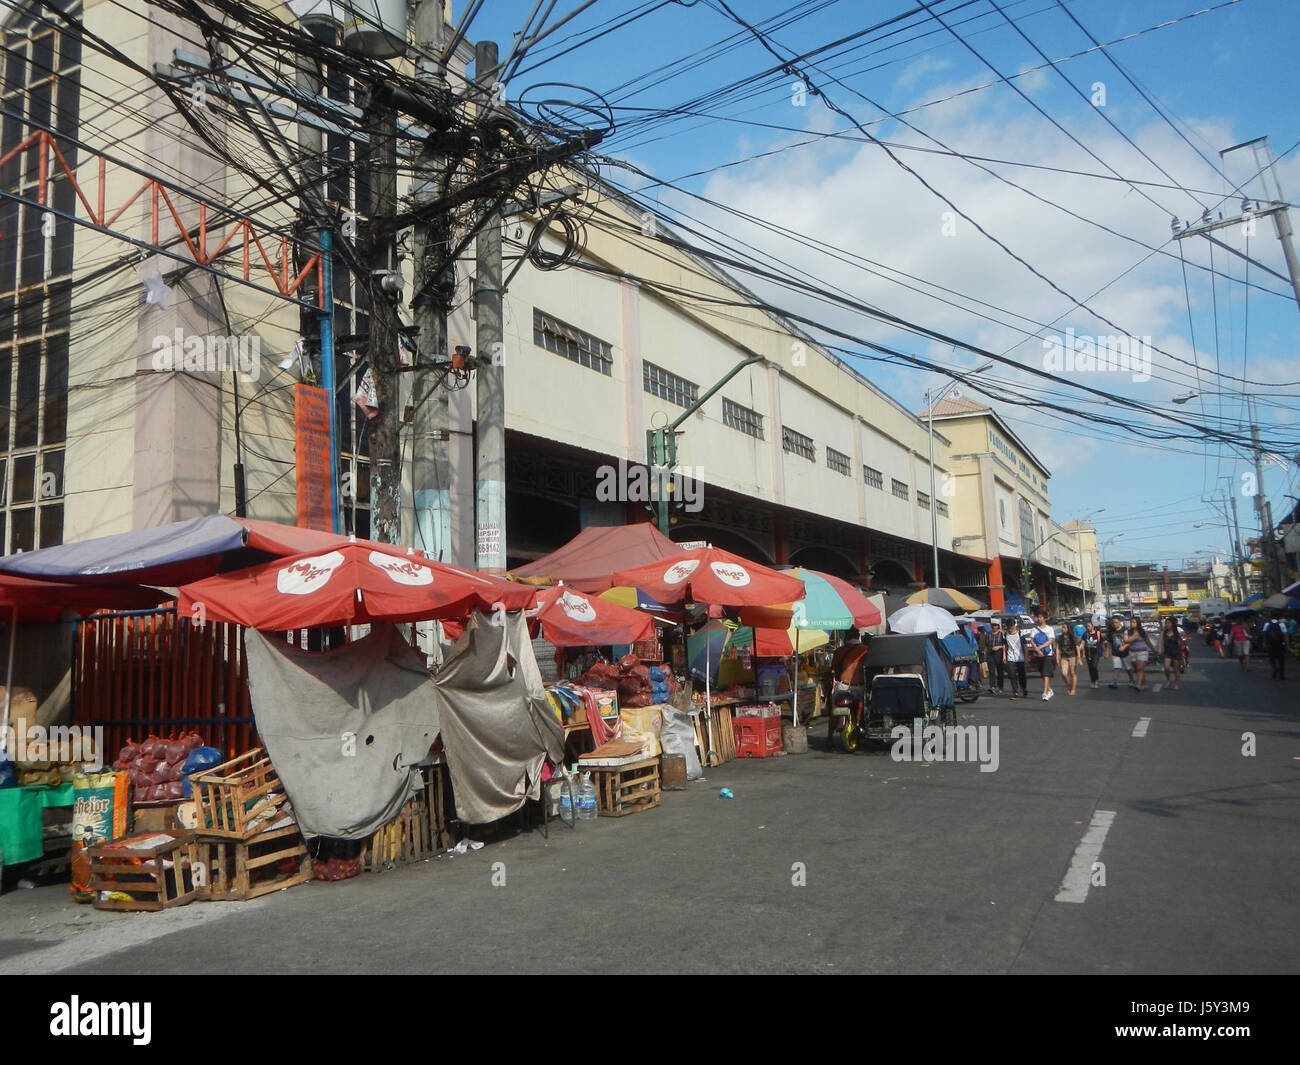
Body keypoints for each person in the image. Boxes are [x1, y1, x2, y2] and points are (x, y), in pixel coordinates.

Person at [1027, 610, 1057, 702]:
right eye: (1038, 617)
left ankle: (1045, 693)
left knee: (1045, 673)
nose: (1038, 619)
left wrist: (1041, 647)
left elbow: (1051, 641)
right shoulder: (1034, 629)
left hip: (1047, 653)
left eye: (1040, 617)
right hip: (1038, 654)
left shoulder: (1049, 629)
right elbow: (1031, 640)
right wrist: (1036, 649)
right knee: (1042, 674)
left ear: (1044, 619)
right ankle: (1050, 690)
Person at [1123, 616, 1152, 692]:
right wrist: (1134, 636)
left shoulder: (1142, 632)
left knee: (1140, 668)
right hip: (1132, 652)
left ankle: (1138, 685)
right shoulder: (1128, 632)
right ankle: (1144, 683)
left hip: (1142, 652)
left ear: (1138, 623)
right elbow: (1126, 640)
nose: (1132, 624)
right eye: (1131, 622)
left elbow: (1148, 641)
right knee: (1137, 669)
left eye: (1134, 622)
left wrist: (1154, 649)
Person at [1003, 617, 1026, 700]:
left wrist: (1026, 656)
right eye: (1008, 627)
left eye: (1011, 626)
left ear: (1014, 625)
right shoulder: (1005, 634)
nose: (1010, 628)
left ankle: (1024, 688)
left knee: (1021, 675)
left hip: (1020, 658)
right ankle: (1015, 692)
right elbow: (1004, 646)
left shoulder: (1020, 633)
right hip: (1010, 657)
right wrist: (1004, 656)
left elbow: (1025, 645)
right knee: (1012, 675)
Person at [1159, 616, 1183, 692]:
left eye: (1169, 623)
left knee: (1176, 669)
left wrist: (1182, 642)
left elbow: (1181, 643)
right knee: (1166, 667)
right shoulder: (1163, 632)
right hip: (1167, 651)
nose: (1167, 624)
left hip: (1176, 651)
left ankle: (1176, 683)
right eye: (1166, 623)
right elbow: (1160, 641)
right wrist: (1160, 650)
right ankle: (1168, 680)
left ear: (1172, 624)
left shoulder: (1177, 633)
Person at [1057, 618, 1079, 696]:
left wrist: (1079, 658)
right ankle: (1069, 684)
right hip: (1064, 656)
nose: (1062, 629)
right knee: (1063, 673)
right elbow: (1058, 648)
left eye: (1064, 627)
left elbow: (1077, 647)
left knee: (1072, 673)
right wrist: (1057, 658)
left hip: (1072, 656)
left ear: (1068, 628)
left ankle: (1073, 689)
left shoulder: (1072, 637)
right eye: (1062, 627)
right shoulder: (1060, 637)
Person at [1262, 613, 1287, 680]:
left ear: (1270, 617)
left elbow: (1264, 635)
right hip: (1280, 644)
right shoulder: (1281, 624)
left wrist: (1264, 643)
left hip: (1270, 644)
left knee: (1272, 658)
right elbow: (1285, 635)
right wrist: (1287, 644)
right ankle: (1281, 675)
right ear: (1278, 617)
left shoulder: (1267, 624)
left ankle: (1274, 668)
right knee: (1281, 659)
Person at [1107, 617, 1129, 689]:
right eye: (1113, 622)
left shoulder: (1125, 630)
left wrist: (1124, 647)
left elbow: (1129, 641)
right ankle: (1115, 682)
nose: (1114, 624)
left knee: (1128, 668)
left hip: (1125, 652)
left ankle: (1132, 680)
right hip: (1115, 652)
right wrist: (1107, 651)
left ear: (1120, 622)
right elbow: (1109, 642)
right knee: (1116, 667)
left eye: (1116, 622)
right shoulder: (1111, 631)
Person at [988, 620, 1008, 694]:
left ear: (998, 626)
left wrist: (999, 647)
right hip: (990, 653)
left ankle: (1000, 687)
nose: (994, 627)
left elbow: (1004, 645)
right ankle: (992, 686)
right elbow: (987, 644)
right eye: (993, 625)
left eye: (995, 625)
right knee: (991, 671)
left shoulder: (1002, 634)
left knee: (1000, 671)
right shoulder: (989, 634)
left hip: (999, 653)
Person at [1082, 620, 1102, 689]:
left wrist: (1106, 651)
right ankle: (1092, 681)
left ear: (1093, 626)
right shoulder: (1085, 634)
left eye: (1089, 626)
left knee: (1094, 666)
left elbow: (1102, 642)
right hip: (1088, 653)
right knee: (1090, 668)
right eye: (1086, 626)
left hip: (1096, 652)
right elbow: (1083, 643)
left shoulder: (1098, 633)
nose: (1087, 628)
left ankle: (1096, 680)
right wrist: (1082, 652)